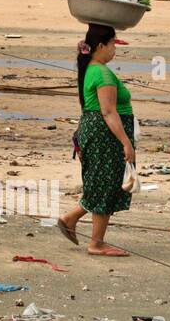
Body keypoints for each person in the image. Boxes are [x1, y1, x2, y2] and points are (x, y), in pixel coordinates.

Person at [57, 23, 135, 255]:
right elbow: (108, 112)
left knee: (101, 182)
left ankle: (70, 219)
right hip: (105, 134)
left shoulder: (91, 68)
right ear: (101, 45)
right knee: (106, 185)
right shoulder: (101, 73)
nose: (114, 49)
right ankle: (96, 243)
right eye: (112, 44)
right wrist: (126, 143)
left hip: (95, 132)